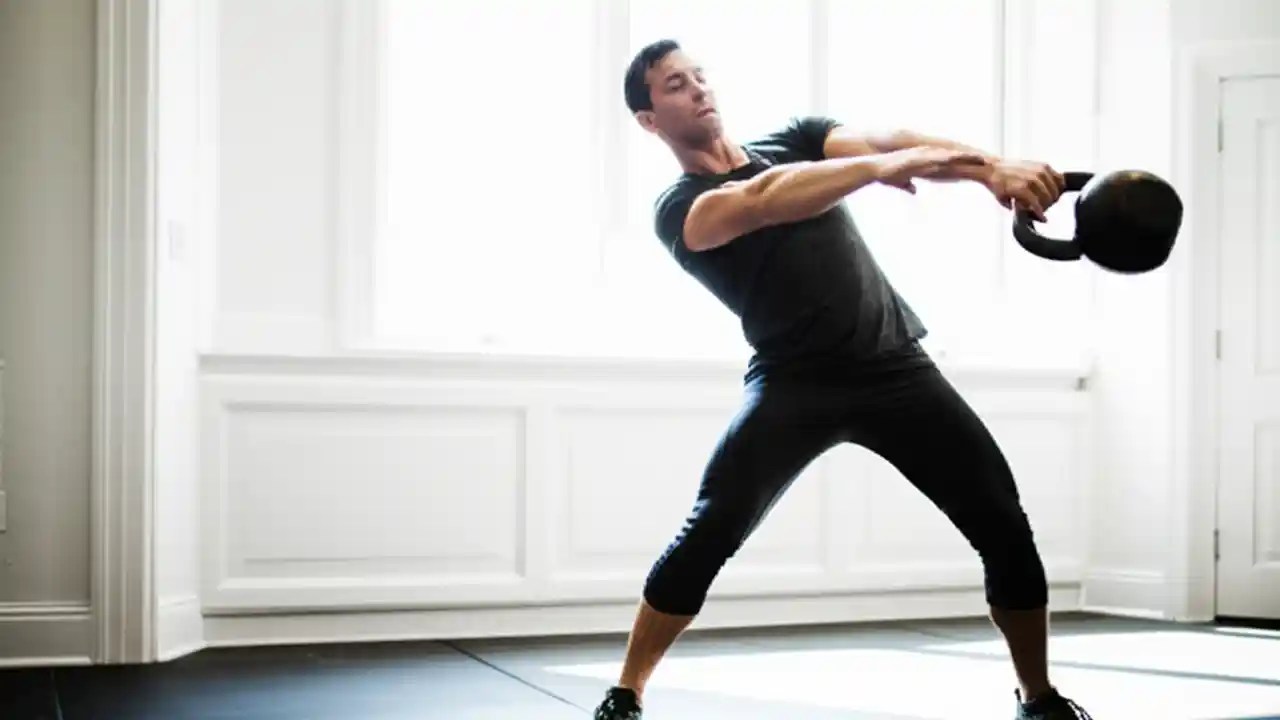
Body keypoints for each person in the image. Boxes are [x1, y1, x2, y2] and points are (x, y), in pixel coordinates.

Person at [591, 39, 1094, 720]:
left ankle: (1039, 699)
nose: (698, 88)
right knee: (710, 530)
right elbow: (767, 199)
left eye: (700, 75)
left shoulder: (796, 137)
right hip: (793, 385)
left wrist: (990, 170)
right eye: (675, 85)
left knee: (1004, 526)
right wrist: (879, 166)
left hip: (895, 367)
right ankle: (626, 693)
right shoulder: (679, 209)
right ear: (650, 120)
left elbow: (893, 137)